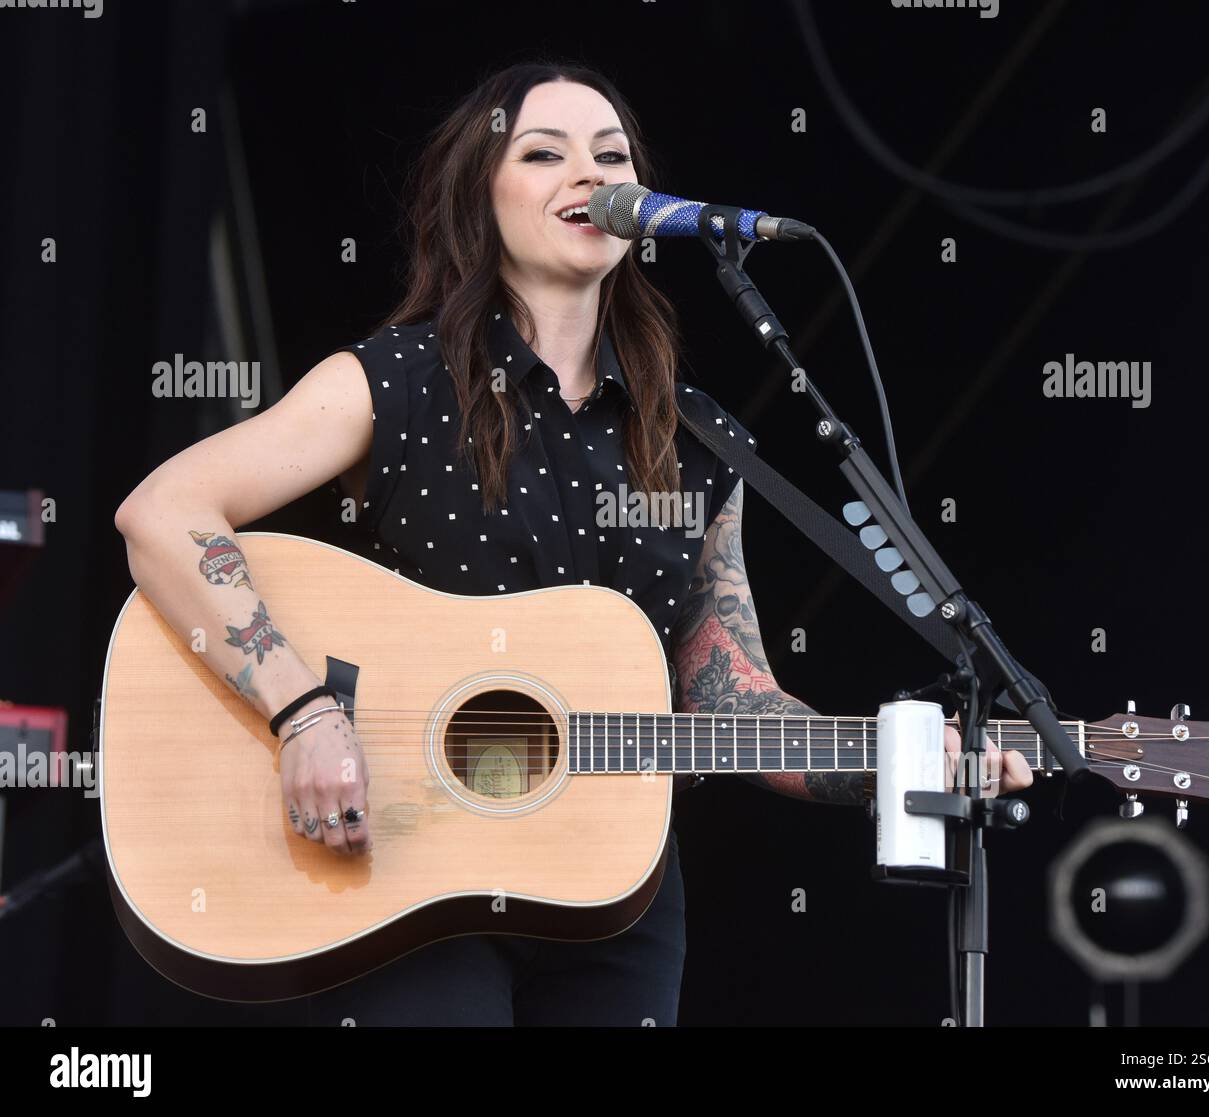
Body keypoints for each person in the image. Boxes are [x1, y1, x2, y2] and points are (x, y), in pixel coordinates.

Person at [114, 59, 1033, 1026]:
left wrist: (898, 759)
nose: (587, 177)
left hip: (610, 892)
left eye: (611, 156)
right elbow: (164, 512)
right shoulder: (396, 382)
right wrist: (302, 711)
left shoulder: (695, 437)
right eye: (544, 152)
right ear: (483, 194)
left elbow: (734, 696)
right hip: (403, 860)